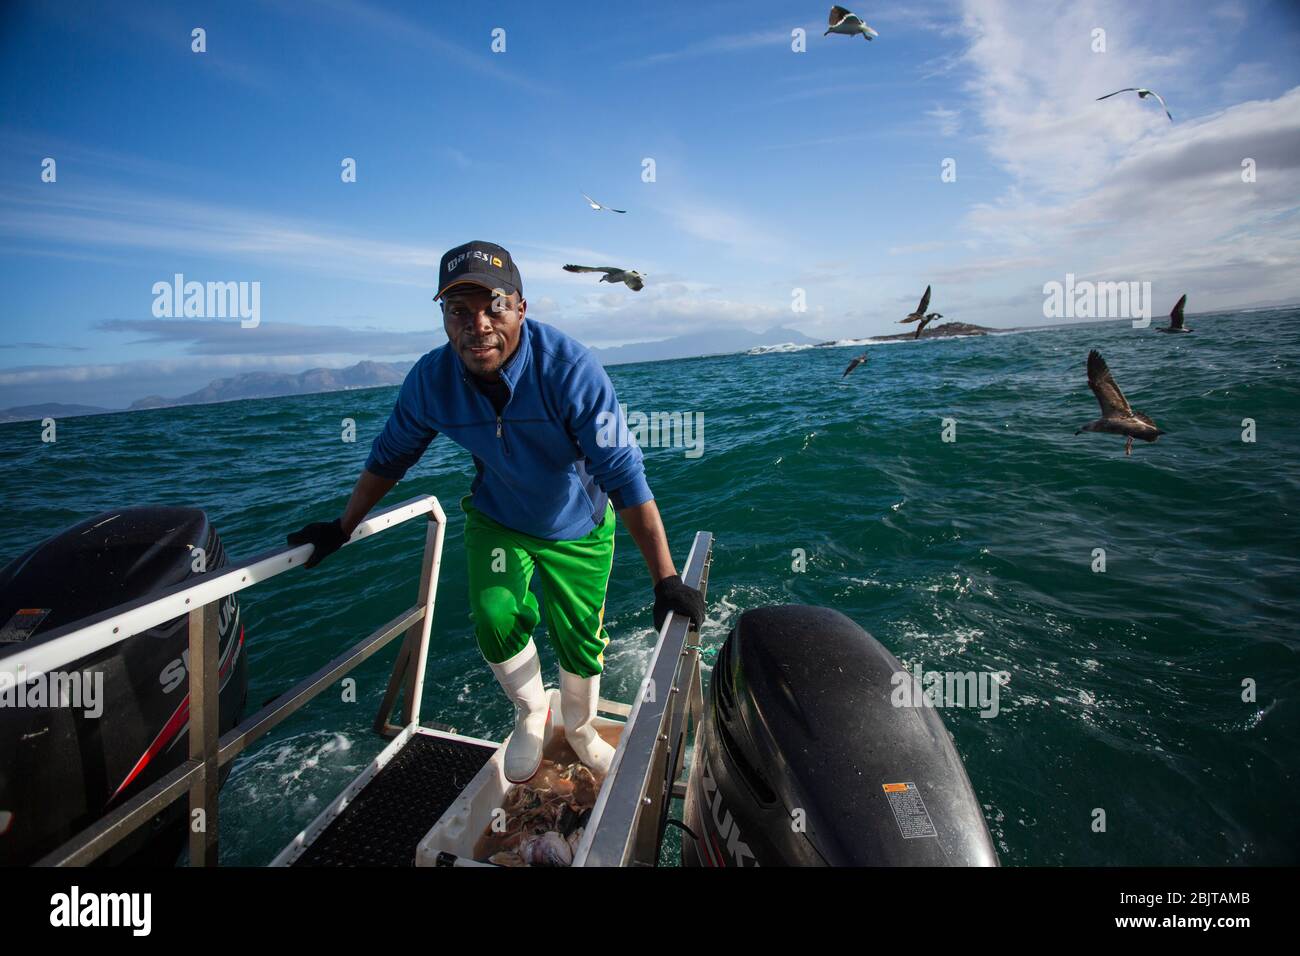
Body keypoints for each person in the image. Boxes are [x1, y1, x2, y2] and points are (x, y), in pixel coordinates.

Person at [287, 240, 705, 783]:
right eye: (459, 310)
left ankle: (579, 728)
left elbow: (623, 474)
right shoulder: (430, 381)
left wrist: (666, 579)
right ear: (443, 318)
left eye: (494, 307)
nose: (477, 324)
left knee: (580, 637)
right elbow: (392, 457)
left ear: (521, 308)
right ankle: (532, 711)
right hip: (499, 518)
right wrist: (342, 528)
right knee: (494, 615)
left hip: (578, 524)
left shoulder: (570, 370)